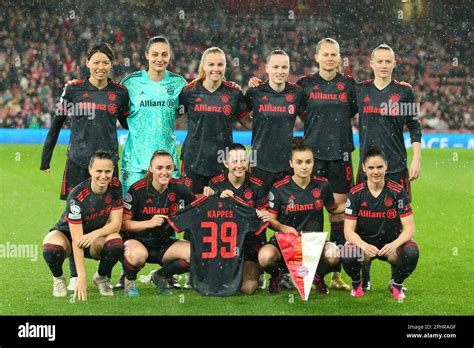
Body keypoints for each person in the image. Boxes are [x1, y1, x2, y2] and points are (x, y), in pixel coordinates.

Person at [40, 43, 129, 291]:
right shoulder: (74, 89)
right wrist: (45, 159)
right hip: (78, 163)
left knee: (111, 215)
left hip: (107, 166)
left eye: (105, 63)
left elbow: (128, 123)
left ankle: (105, 273)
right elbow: (57, 123)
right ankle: (75, 275)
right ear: (87, 63)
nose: (100, 67)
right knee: (74, 217)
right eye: (96, 62)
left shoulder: (120, 93)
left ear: (111, 65)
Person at [178, 46, 249, 287]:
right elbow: (171, 115)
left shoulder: (234, 93)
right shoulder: (188, 92)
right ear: (203, 67)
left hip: (222, 165)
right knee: (193, 214)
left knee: (221, 215)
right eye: (211, 64)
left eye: (220, 65)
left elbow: (246, 118)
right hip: (193, 161)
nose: (216, 69)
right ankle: (189, 271)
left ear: (225, 68)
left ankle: (219, 268)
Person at [355, 43, 422, 291]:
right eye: (379, 61)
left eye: (388, 61)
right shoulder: (360, 91)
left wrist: (416, 158)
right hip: (367, 168)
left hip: (395, 168)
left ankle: (396, 279)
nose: (383, 65)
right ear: (371, 64)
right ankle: (364, 276)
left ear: (394, 64)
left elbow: (414, 125)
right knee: (362, 221)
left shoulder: (403, 92)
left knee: (397, 222)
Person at [295, 38, 358, 291]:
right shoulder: (305, 85)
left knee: (338, 214)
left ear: (339, 57)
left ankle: (335, 274)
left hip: (341, 156)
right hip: (313, 158)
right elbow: (295, 107)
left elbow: (352, 110)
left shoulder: (348, 85)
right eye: (326, 54)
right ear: (317, 57)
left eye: (334, 54)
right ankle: (305, 271)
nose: (330, 58)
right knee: (309, 213)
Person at [258, 138, 346, 294]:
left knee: (334, 254)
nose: (304, 167)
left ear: (313, 163)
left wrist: (356, 204)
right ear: (291, 163)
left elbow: (333, 209)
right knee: (265, 257)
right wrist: (283, 227)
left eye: (308, 162)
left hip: (313, 243)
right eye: (299, 162)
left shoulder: (323, 185)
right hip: (286, 243)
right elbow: (271, 219)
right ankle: (278, 275)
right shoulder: (279, 188)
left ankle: (317, 277)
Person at [42, 150, 124, 301]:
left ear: (113, 170)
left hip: (94, 237)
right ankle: (59, 278)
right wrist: (81, 276)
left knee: (116, 242)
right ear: (90, 170)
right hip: (69, 236)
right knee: (51, 247)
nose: (103, 175)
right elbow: (77, 240)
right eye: (99, 171)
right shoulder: (77, 197)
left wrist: (94, 234)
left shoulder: (116, 187)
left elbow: (116, 224)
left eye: (108, 171)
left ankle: (101, 277)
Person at [341, 145, 419, 301]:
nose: (375, 172)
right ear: (363, 168)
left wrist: (394, 244)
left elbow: (410, 229)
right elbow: (348, 232)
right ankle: (357, 282)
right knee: (347, 252)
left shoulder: (397, 191)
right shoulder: (355, 194)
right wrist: (363, 245)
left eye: (379, 167)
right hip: (365, 245)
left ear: (386, 166)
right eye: (370, 167)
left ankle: (396, 284)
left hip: (390, 245)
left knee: (412, 251)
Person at [120, 150, 195, 296]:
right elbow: (123, 224)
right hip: (137, 242)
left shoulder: (180, 189)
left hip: (164, 244)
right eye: (159, 168)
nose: (164, 172)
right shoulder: (137, 189)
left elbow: (197, 209)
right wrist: (148, 223)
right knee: (137, 256)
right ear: (151, 168)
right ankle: (130, 280)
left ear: (173, 169)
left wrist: (214, 194)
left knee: (196, 254)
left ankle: (160, 276)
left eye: (168, 168)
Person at [120, 36, 187, 195]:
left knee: (168, 215)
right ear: (146, 55)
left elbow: (184, 109)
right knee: (129, 215)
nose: (160, 59)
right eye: (155, 54)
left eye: (164, 54)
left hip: (166, 164)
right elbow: (118, 111)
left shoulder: (179, 84)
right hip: (135, 164)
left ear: (169, 56)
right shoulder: (130, 83)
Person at [203, 143, 270, 294]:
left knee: (247, 289)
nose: (239, 165)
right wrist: (219, 201)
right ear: (226, 163)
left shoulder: (258, 185)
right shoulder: (215, 184)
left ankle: (255, 269)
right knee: (216, 286)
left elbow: (261, 219)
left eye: (243, 161)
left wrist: (264, 215)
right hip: (225, 246)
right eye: (234, 161)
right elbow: (208, 218)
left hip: (250, 243)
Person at [241, 49, 304, 195]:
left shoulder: (297, 93)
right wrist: (256, 126)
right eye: (275, 67)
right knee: (258, 211)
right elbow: (241, 115)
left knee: (285, 213)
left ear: (289, 68)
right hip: (260, 163)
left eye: (284, 67)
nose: (280, 71)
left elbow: (307, 116)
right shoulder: (255, 92)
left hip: (286, 163)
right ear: (267, 68)